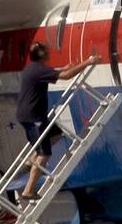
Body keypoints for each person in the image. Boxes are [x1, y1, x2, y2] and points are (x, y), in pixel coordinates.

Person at [17, 41, 100, 200]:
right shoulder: (40, 70)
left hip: (30, 114)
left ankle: (31, 162)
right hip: (34, 117)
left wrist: (64, 68)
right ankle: (29, 190)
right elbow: (66, 76)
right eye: (47, 51)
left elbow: (55, 72)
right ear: (41, 54)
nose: (49, 53)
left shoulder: (32, 69)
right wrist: (88, 62)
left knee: (56, 134)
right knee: (45, 154)